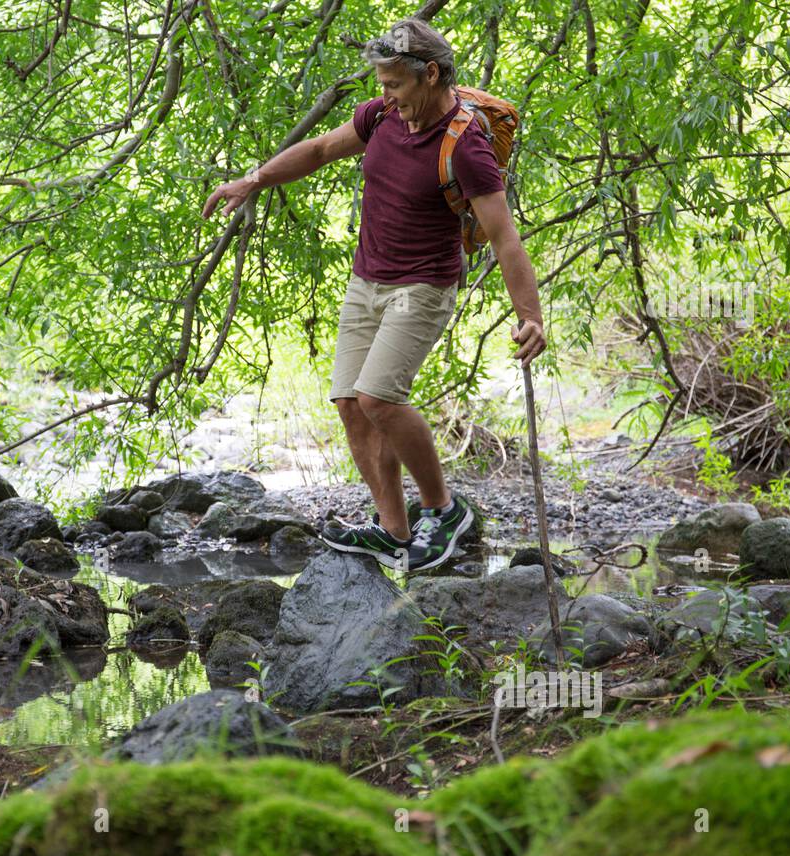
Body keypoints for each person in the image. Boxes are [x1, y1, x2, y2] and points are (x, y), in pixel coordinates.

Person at [203, 18, 547, 572]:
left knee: (379, 398)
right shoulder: (384, 115)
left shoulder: (465, 146)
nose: (383, 95)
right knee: (350, 404)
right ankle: (393, 530)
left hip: (422, 287)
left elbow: (504, 237)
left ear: (430, 75)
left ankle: (445, 509)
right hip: (366, 282)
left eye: (393, 84)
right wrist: (254, 180)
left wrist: (529, 316)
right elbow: (317, 149)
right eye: (382, 85)